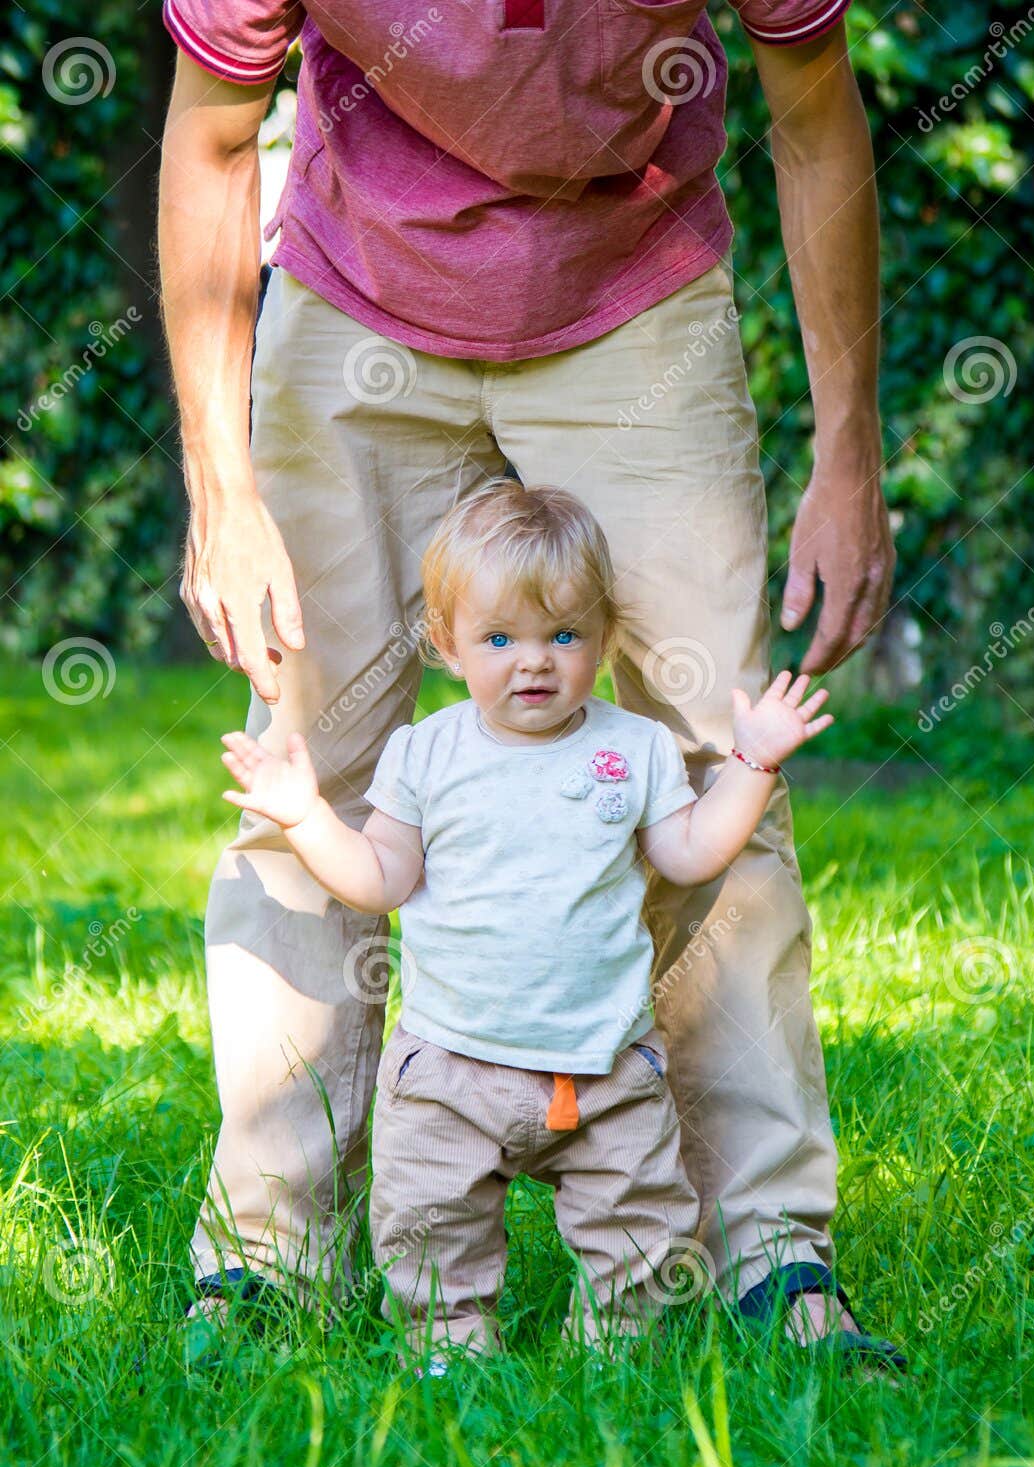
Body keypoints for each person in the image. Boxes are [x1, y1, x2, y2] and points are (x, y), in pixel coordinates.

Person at [158, 1, 899, 1356]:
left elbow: (813, 113)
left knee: (715, 753)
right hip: (353, 293)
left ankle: (770, 1257)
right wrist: (223, 485)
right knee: (308, 768)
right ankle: (267, 1256)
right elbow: (211, 132)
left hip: (634, 295)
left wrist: (850, 453)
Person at [216, 482, 884, 1371]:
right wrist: (305, 818)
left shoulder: (634, 748)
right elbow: (381, 878)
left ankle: (614, 1349)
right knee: (429, 1222)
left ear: (604, 641)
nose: (534, 662)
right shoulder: (426, 753)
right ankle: (450, 1343)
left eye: (563, 636)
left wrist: (753, 761)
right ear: (447, 644)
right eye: (500, 639)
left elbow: (688, 853)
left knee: (639, 1232)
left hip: (605, 1064)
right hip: (452, 1064)